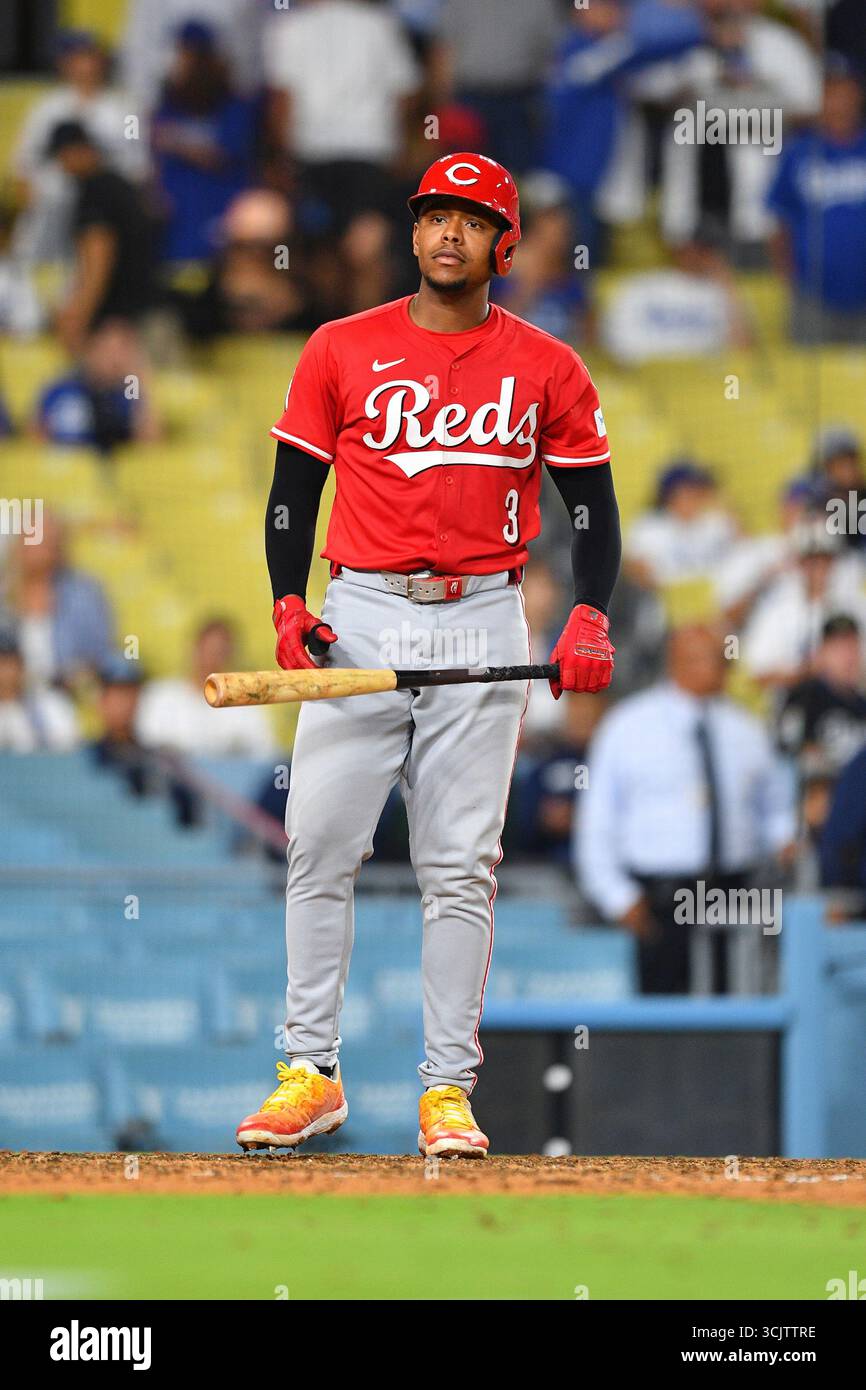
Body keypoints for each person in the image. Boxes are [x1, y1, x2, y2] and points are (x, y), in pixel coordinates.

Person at [235, 152, 621, 1159]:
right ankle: (307, 1072)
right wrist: (286, 598)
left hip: (483, 615)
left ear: (503, 240)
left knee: (459, 864)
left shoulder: (547, 364)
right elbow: (292, 491)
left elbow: (592, 509)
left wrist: (589, 614)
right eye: (433, 216)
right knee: (319, 843)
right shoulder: (337, 346)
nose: (449, 232)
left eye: (471, 218)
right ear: (412, 236)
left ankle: (445, 1089)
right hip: (361, 607)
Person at [576, 625, 796, 994]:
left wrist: (785, 840)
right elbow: (597, 821)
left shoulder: (745, 730)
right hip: (658, 899)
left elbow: (774, 807)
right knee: (665, 1017)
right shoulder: (629, 727)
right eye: (710, 657)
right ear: (680, 661)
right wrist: (618, 898)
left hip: (731, 891)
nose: (721, 666)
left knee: (735, 1003)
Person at [263, 0, 421, 316]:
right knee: (365, 250)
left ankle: (334, 344)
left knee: (324, 254)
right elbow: (407, 95)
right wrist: (402, 149)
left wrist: (280, 158)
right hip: (371, 155)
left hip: (313, 155)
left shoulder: (289, 28)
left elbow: (282, 100)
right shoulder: (382, 25)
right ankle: (364, 345)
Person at [12, 30, 148, 265]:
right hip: (51, 207)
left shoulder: (127, 110)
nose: (84, 65)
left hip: (103, 208)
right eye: (76, 58)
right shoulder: (46, 109)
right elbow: (24, 163)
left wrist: (94, 167)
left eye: (89, 57)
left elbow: (137, 162)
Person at [768, 54, 866, 344]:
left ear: (857, 94)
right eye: (829, 92)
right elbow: (779, 220)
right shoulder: (799, 152)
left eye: (844, 90)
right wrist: (791, 280)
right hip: (813, 296)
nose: (837, 100)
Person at [46, 121, 157, 354]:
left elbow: (98, 258)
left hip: (121, 326)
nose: (61, 165)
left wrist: (79, 317)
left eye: (62, 156)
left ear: (78, 150)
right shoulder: (122, 185)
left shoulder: (94, 191)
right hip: (149, 312)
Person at [151, 21, 258, 262]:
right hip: (177, 217)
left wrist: (177, 143)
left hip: (222, 208)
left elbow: (224, 153)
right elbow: (156, 156)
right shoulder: (168, 105)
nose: (183, 64)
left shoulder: (234, 105)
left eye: (191, 56)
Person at [741, 520, 866, 688]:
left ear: (834, 562)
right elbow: (758, 674)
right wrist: (807, 670)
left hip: (850, 704)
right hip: (797, 705)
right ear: (799, 563)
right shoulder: (777, 610)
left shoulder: (855, 606)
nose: (817, 567)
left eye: (824, 559)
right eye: (810, 560)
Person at [0, 514, 114, 690]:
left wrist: (77, 676)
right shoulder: (5, 596)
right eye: (34, 537)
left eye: (50, 541)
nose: (42, 547)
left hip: (66, 694)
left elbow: (101, 654)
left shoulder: (84, 595)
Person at [135, 618, 276, 758]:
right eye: (208, 649)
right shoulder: (160, 696)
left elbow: (263, 755)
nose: (211, 657)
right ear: (194, 648)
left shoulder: (247, 703)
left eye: (219, 651)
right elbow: (147, 750)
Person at [33, 319, 161, 453]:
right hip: (66, 467)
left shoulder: (129, 392)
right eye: (109, 349)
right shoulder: (64, 389)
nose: (115, 359)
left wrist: (140, 383)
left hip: (115, 469)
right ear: (92, 349)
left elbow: (149, 445)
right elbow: (36, 438)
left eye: (122, 352)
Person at [625, 461, 739, 590]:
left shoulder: (715, 522)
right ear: (670, 495)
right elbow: (635, 572)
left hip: (714, 604)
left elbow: (743, 554)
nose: (695, 497)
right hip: (663, 605)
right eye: (689, 491)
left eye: (699, 491)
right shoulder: (649, 527)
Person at [777, 615, 866, 773]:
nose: (848, 658)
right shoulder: (804, 697)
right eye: (839, 649)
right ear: (822, 653)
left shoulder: (861, 704)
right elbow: (787, 750)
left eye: (852, 647)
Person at [0, 626, 79, 753]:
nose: (4, 672)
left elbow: (67, 752)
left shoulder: (49, 706)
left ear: (21, 665)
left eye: (9, 663)